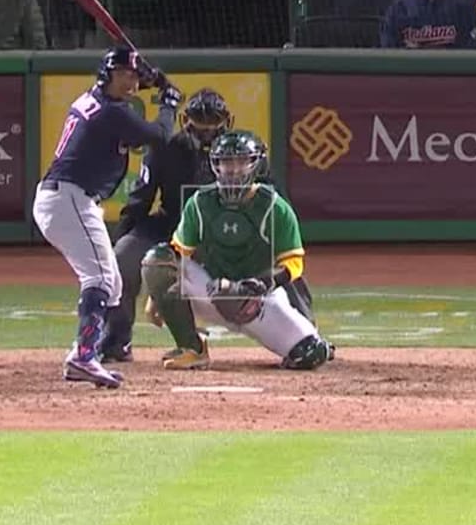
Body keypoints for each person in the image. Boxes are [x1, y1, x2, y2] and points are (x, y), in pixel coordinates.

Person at [33, 46, 179, 388]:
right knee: (99, 278)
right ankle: (84, 357)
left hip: (69, 199)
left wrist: (153, 79)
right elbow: (156, 136)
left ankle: (89, 351)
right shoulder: (111, 112)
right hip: (68, 197)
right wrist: (169, 102)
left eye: (133, 75)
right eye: (123, 74)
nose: (130, 81)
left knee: (110, 283)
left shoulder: (98, 100)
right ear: (107, 75)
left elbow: (128, 99)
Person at [141, 130, 336, 371]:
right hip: (211, 289)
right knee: (157, 261)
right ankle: (192, 348)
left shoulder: (275, 207)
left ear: (255, 165)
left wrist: (262, 282)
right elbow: (178, 252)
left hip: (258, 299)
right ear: (215, 165)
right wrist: (156, 296)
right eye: (226, 162)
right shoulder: (201, 202)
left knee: (311, 353)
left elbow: (294, 263)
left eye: (241, 162)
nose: (233, 170)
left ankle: (299, 336)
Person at [99, 89, 232, 363]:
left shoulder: (241, 151)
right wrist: (119, 240)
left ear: (226, 124)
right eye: (200, 128)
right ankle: (116, 342)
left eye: (213, 129)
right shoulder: (164, 148)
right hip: (171, 223)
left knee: (279, 258)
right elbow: (140, 200)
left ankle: (303, 335)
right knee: (122, 258)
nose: (207, 136)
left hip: (222, 231)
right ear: (185, 121)